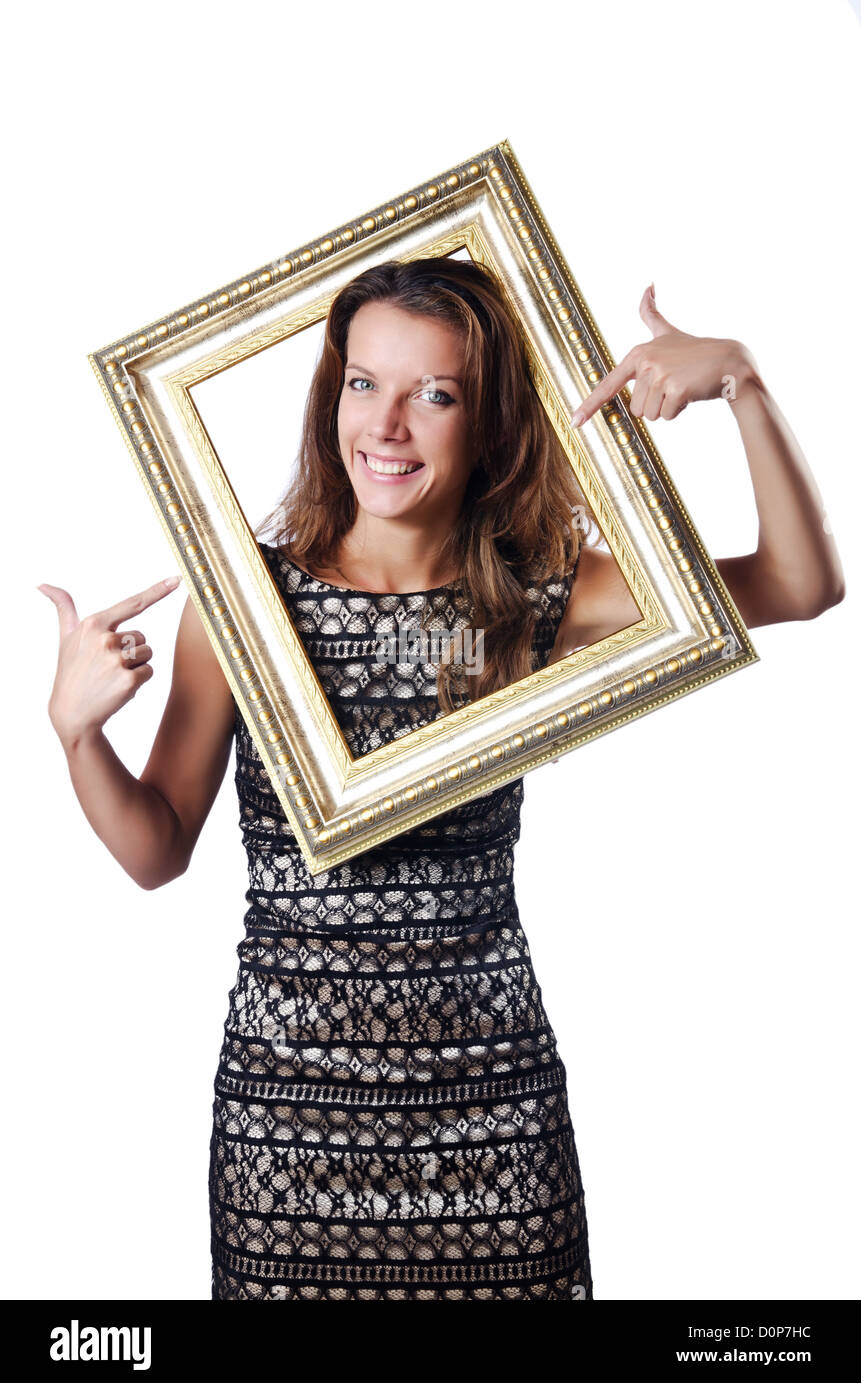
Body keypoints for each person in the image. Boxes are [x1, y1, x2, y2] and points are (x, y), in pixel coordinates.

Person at [39, 257, 845, 1301]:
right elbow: (154, 849)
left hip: (492, 1110)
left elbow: (800, 582)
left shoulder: (539, 599)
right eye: (363, 382)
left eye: (437, 393)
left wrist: (741, 379)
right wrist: (76, 734)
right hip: (291, 1118)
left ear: (490, 420)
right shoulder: (247, 599)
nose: (386, 426)